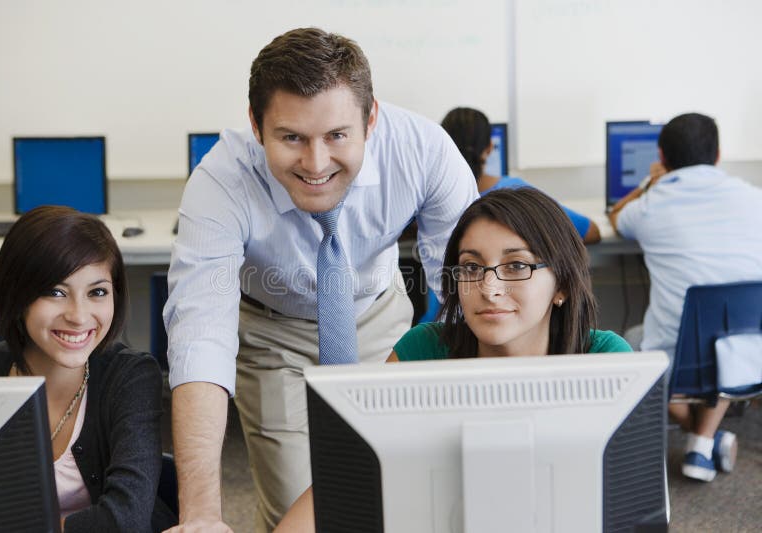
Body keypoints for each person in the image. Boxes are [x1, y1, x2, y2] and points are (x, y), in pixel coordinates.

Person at [163, 27, 478, 532]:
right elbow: (200, 335)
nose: (315, 164)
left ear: (370, 117)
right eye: (291, 137)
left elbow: (467, 288)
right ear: (257, 124)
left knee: (401, 491)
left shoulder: (421, 151)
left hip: (381, 318)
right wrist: (200, 516)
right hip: (272, 333)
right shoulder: (222, 180)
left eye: (336, 136)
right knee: (303, 511)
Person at [274, 187, 630, 532]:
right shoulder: (424, 352)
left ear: (562, 285)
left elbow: (629, 503)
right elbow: (348, 473)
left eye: (517, 265)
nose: (489, 289)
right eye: (471, 267)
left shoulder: (603, 359)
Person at [0, 206, 176, 532]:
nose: (79, 315)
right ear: (18, 293)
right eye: (56, 292)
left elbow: (124, 520)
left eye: (97, 292)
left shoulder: (130, 377)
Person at [609, 112, 762, 482]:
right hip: (747, 353)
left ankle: (701, 436)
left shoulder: (651, 205)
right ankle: (703, 443)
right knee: (721, 344)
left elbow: (616, 217)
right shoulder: (754, 199)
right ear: (719, 154)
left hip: (678, 361)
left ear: (661, 156)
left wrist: (648, 184)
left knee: (633, 344)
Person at [440, 107, 601, 244]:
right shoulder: (516, 191)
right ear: (489, 147)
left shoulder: (431, 199)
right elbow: (590, 231)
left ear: (443, 148)